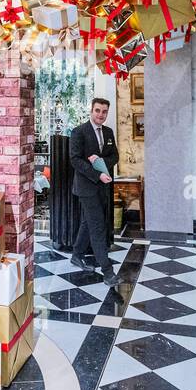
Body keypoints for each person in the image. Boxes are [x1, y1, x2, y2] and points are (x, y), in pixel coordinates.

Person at [70, 97, 120, 285]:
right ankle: (108, 273)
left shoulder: (108, 132)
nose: (101, 114)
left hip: (102, 187)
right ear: (91, 110)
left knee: (87, 221)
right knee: (98, 226)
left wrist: (100, 161)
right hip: (86, 187)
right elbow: (75, 160)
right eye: (97, 110)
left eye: (104, 111)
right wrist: (97, 174)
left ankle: (77, 255)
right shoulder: (79, 132)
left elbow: (115, 156)